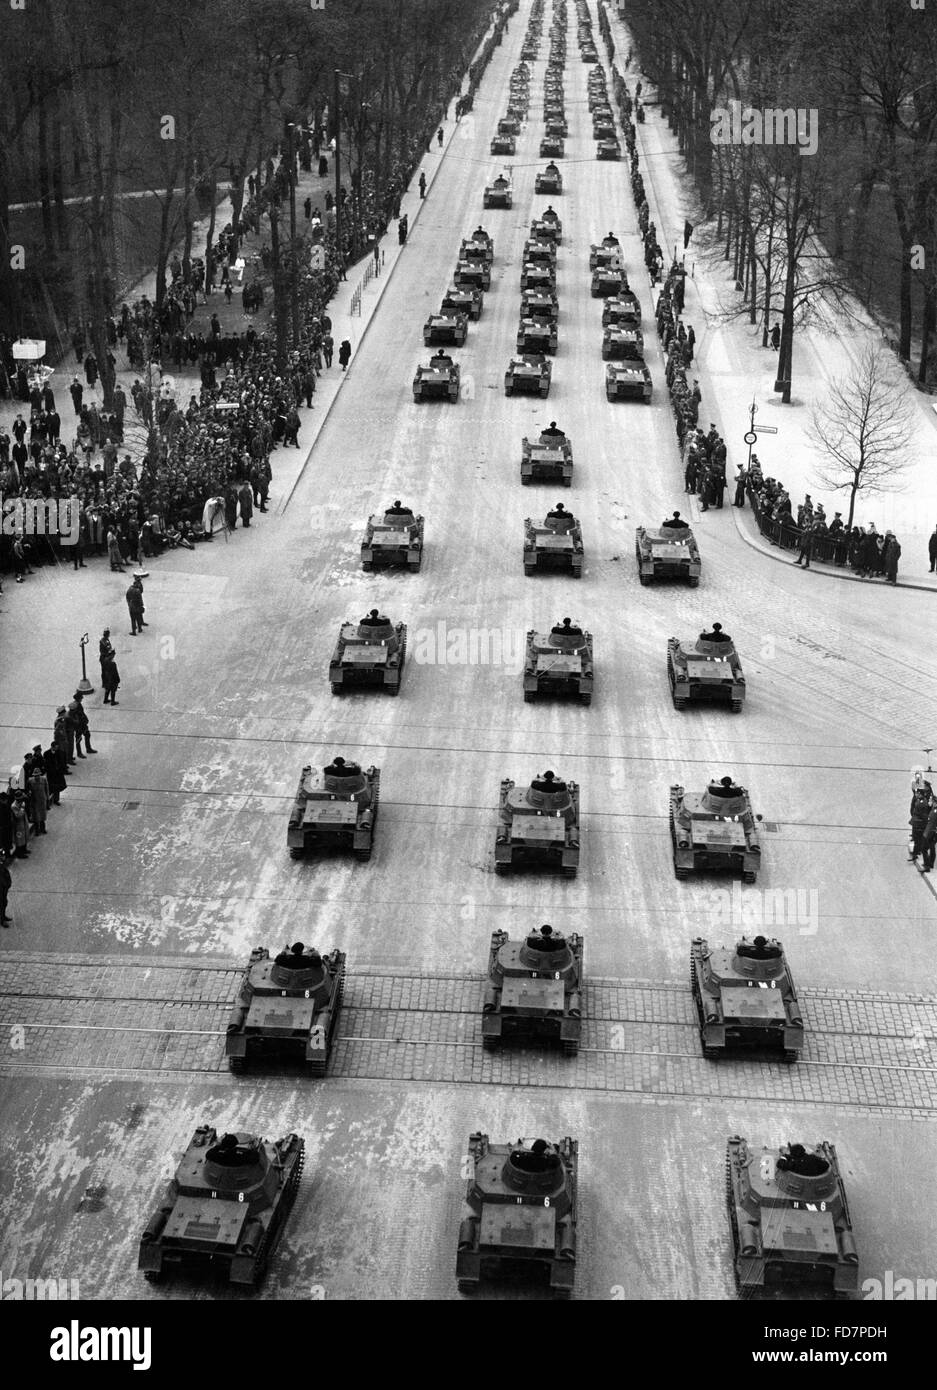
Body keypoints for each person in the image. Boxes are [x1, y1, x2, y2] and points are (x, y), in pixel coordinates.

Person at [0, 853, 11, 926]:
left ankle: (3, 916)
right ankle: (2, 920)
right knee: (1, 903)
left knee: (4, 902)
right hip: (1, 886)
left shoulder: (2, 865)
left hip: (4, 887)